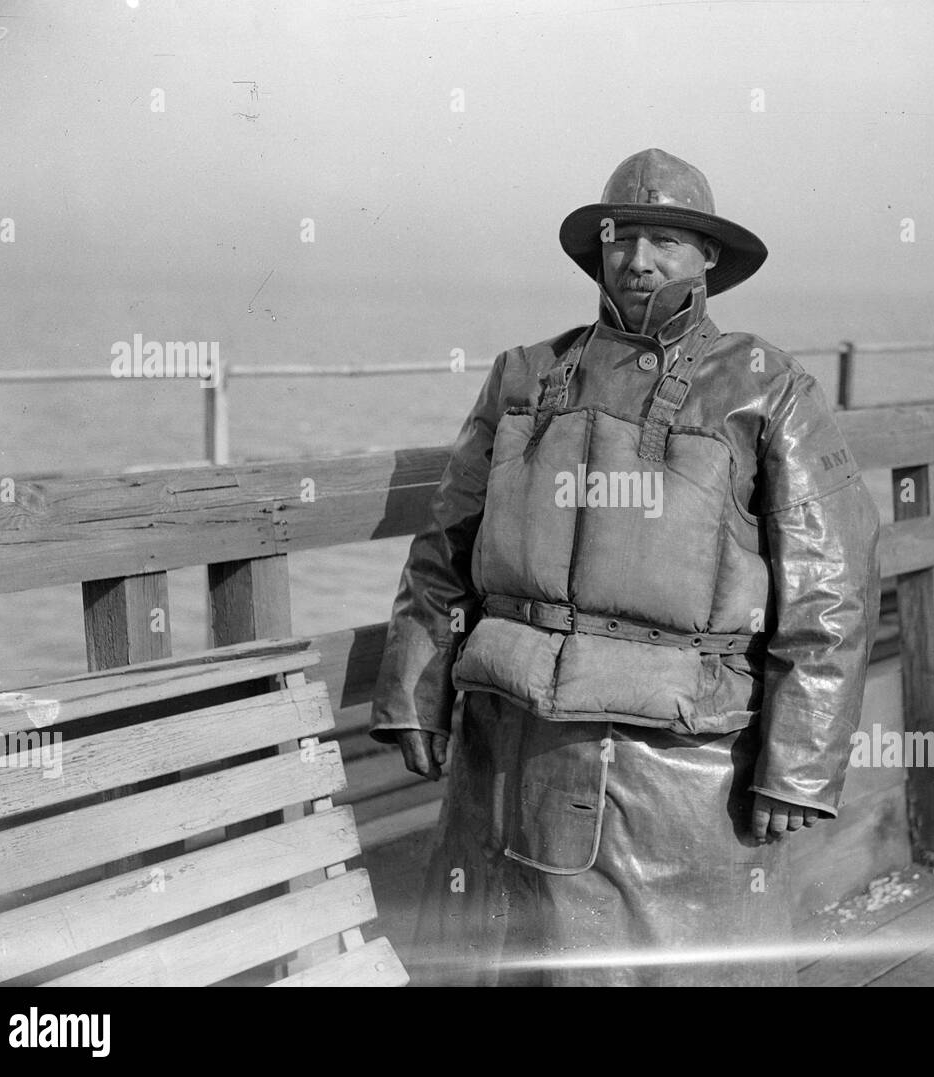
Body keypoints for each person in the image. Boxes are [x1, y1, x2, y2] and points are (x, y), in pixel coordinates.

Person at [369, 147, 881, 986]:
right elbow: (444, 551)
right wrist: (413, 691)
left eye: (666, 240)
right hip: (508, 747)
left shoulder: (767, 387)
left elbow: (833, 589)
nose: (638, 260)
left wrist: (800, 763)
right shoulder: (523, 375)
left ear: (708, 256)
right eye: (622, 239)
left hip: (679, 777)